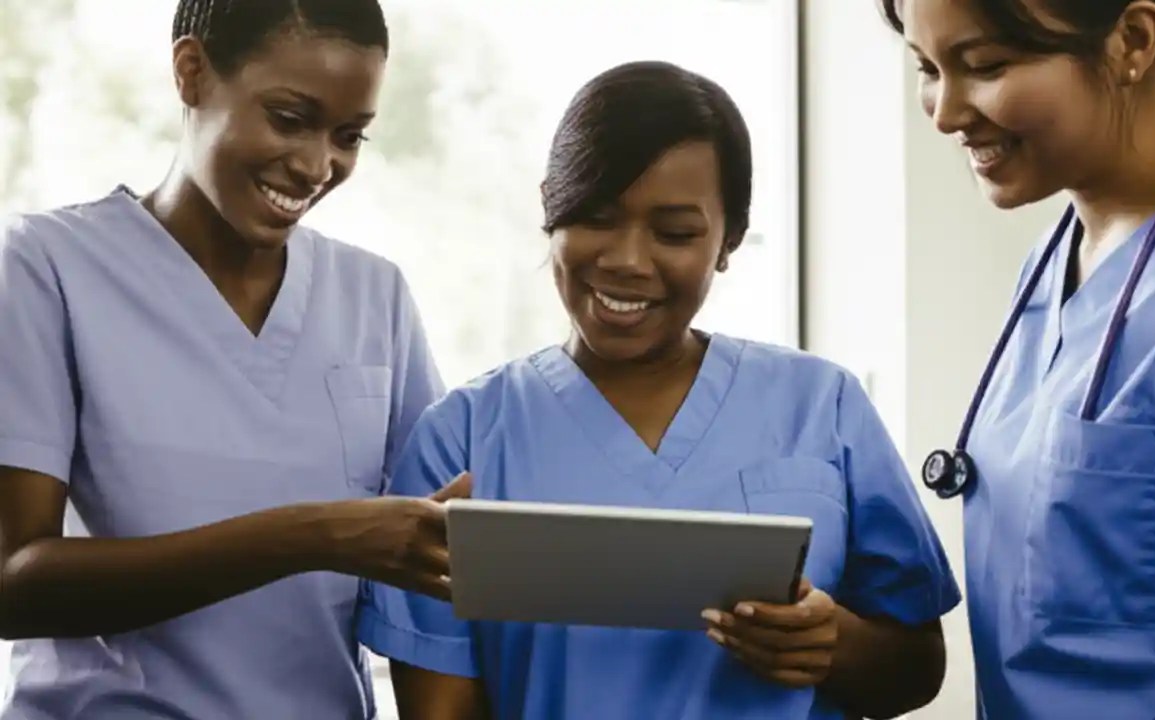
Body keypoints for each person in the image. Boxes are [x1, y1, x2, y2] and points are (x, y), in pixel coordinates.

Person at [356, 60, 961, 720]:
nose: (627, 260)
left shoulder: (823, 407)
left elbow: (917, 668)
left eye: (675, 233)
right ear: (549, 212)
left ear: (728, 239)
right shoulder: (461, 438)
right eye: (594, 217)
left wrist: (833, 644)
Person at [0, 1, 467, 718]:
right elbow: (12, 584)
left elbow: (438, 557)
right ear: (191, 73)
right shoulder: (46, 269)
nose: (317, 166)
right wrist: (314, 535)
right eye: (288, 118)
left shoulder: (375, 296)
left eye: (348, 136)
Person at [883, 0, 1155, 716]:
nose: (944, 113)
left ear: (1132, 40)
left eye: (986, 66)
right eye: (927, 69)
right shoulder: (1053, 256)